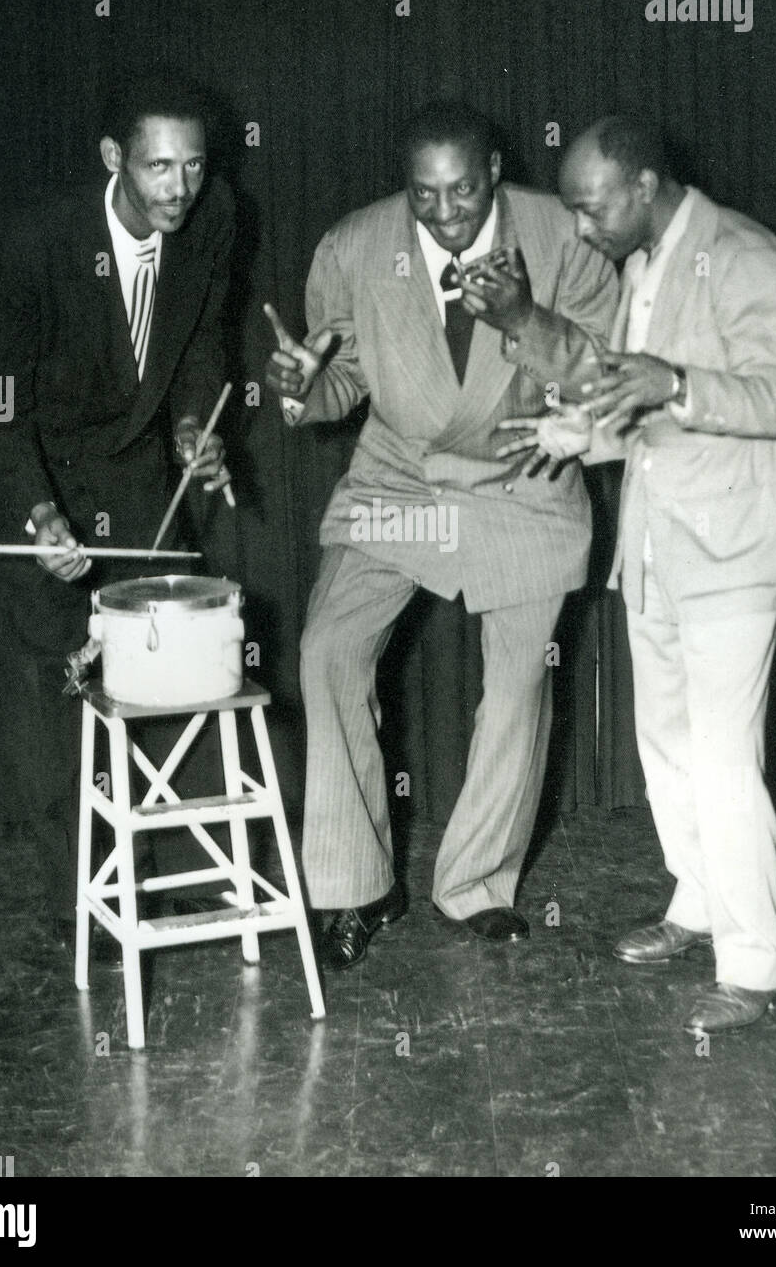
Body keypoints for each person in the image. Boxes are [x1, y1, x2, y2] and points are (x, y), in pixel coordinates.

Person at [262, 101, 617, 969]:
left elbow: (607, 370)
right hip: (402, 479)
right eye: (425, 196)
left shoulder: (562, 235)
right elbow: (339, 377)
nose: (446, 212)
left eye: (462, 190)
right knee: (328, 650)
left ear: (494, 170)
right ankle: (356, 888)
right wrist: (305, 387)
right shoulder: (353, 245)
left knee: (517, 685)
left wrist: (523, 318)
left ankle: (475, 885)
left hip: (519, 482)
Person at [496, 114, 776, 1034]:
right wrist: (580, 431)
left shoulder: (745, 256)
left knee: (722, 760)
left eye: (590, 208)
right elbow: (637, 407)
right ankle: (697, 905)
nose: (582, 229)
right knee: (667, 747)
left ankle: (752, 964)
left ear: (642, 186)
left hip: (730, 556)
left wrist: (674, 381)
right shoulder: (640, 268)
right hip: (654, 550)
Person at [0, 69, 236, 949]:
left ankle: (176, 871)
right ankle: (79, 902)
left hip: (134, 475)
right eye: (160, 168)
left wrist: (195, 429)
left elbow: (199, 344)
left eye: (193, 167)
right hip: (34, 467)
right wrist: (37, 513)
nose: (180, 190)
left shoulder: (214, 218)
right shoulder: (33, 244)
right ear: (114, 157)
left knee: (169, 674)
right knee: (56, 694)